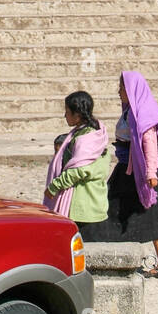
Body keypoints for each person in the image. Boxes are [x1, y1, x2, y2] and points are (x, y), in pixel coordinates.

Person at [81, 70, 158, 279]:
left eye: (121, 87)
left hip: (143, 172)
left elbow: (149, 143)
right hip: (127, 168)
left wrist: (151, 174)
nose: (119, 91)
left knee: (153, 213)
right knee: (110, 205)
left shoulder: (143, 113)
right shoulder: (129, 112)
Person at [43, 91, 110, 224]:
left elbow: (79, 170)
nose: (65, 115)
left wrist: (54, 187)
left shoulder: (86, 138)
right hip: (89, 201)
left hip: (82, 204)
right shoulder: (91, 132)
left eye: (67, 111)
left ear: (77, 115)